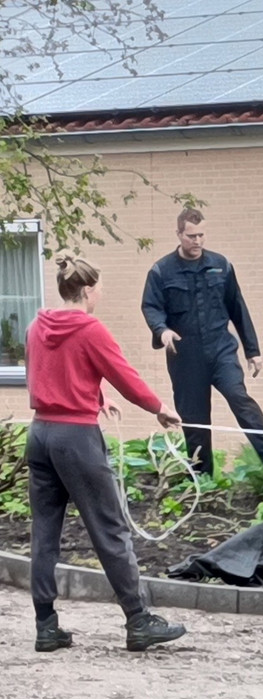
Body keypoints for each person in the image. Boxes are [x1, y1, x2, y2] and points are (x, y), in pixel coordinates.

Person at [26, 255, 188, 653]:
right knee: (109, 527)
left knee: (44, 533)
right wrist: (159, 408)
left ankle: (46, 626)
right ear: (85, 290)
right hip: (76, 440)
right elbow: (124, 374)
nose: (100, 295)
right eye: (98, 289)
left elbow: (46, 372)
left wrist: (95, 397)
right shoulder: (90, 329)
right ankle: (138, 619)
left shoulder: (36, 326)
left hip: (41, 433)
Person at [141, 208, 263, 479]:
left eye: (201, 235)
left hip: (221, 348)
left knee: (239, 397)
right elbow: (151, 307)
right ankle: (202, 480)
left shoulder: (221, 265)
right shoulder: (162, 271)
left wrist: (252, 351)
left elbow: (237, 308)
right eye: (191, 236)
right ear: (179, 235)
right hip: (185, 355)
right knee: (195, 420)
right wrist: (162, 331)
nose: (197, 241)